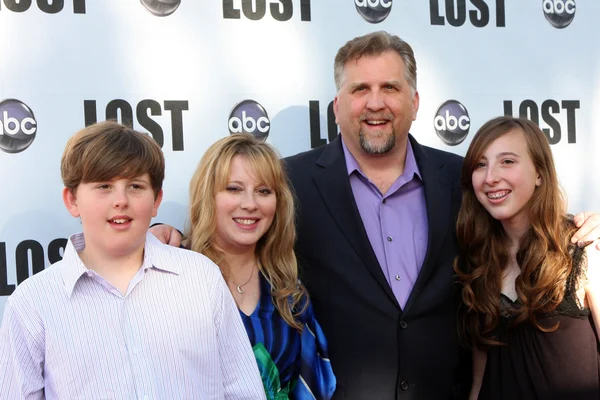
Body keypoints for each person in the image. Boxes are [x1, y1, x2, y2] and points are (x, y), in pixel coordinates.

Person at [151, 31, 600, 399]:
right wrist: (165, 234)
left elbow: (519, 227)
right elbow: (236, 237)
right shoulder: (291, 181)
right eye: (360, 89)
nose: (375, 102)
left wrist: (577, 226)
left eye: (390, 87)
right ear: (338, 106)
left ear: (416, 102)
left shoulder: (461, 179)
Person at [0, 121, 266, 399]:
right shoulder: (33, 304)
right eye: (104, 185)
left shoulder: (201, 278)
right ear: (72, 200)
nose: (121, 200)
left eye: (135, 186)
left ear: (156, 200)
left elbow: (243, 390)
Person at [454, 116, 600, 399]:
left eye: (507, 161)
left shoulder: (583, 247)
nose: (490, 176)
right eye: (480, 165)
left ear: (539, 174)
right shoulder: (478, 263)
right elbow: (478, 384)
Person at [183, 133, 335, 399]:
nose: (250, 204)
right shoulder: (173, 278)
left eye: (264, 191)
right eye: (234, 189)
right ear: (208, 196)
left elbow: (314, 388)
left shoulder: (289, 294)